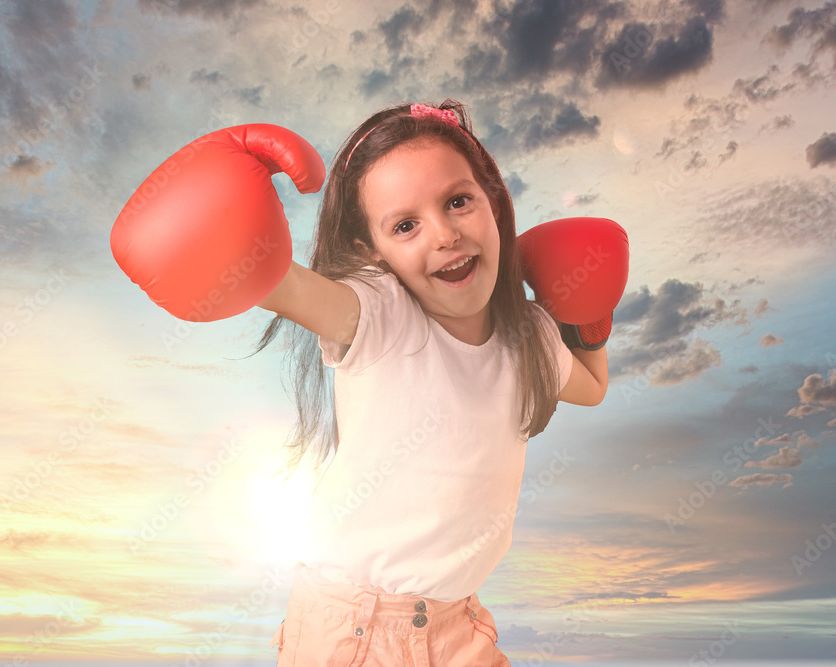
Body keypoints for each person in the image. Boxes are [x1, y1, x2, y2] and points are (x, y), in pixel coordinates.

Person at [253, 99, 612, 666]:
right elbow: (276, 284)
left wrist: (588, 319)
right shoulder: (380, 311)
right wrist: (232, 215)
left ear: (492, 200)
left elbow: (591, 385)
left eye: (458, 201)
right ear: (371, 253)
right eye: (405, 225)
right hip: (356, 629)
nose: (444, 233)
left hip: (458, 622)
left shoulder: (531, 336)